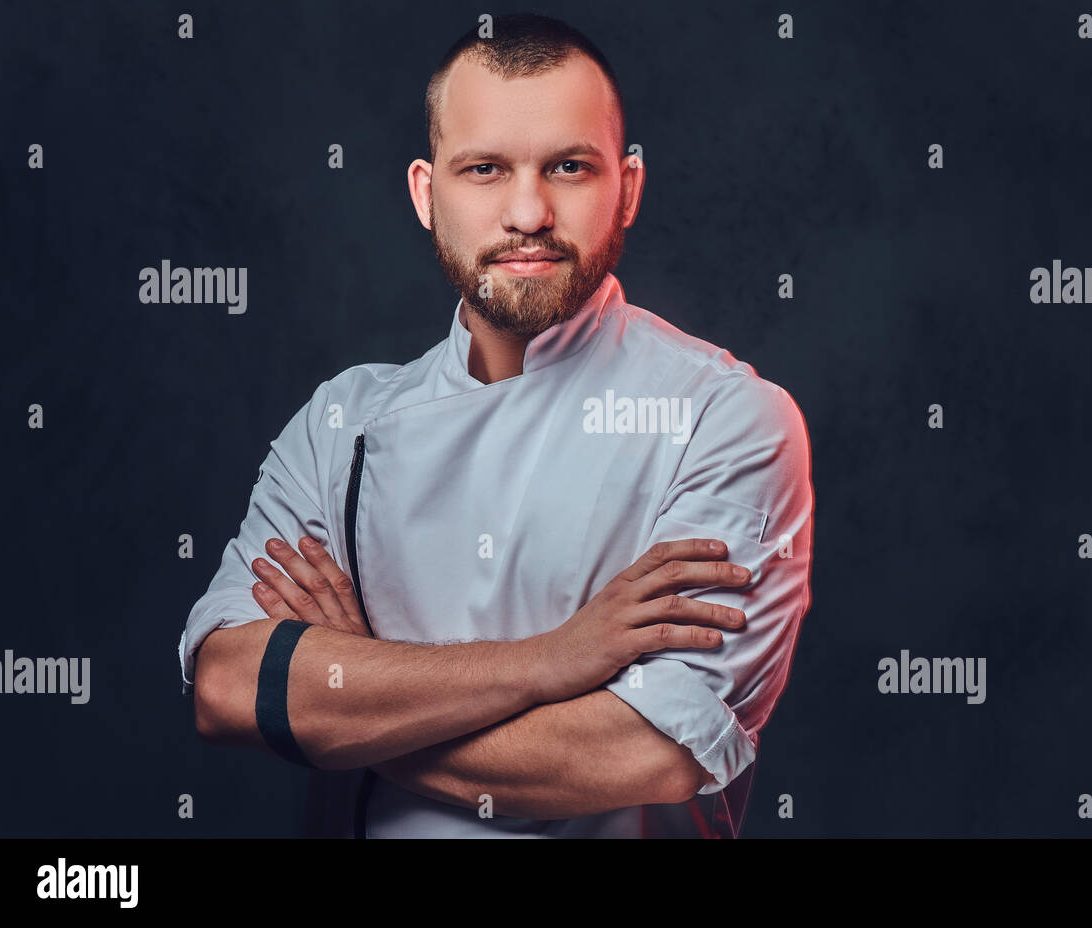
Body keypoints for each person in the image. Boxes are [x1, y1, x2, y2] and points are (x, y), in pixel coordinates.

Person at [179, 12, 813, 838]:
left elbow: (643, 753)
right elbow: (229, 687)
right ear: (425, 192)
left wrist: (348, 704)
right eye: (484, 168)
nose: (527, 211)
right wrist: (553, 660)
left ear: (628, 187)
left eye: (569, 167)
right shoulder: (342, 424)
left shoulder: (726, 420)